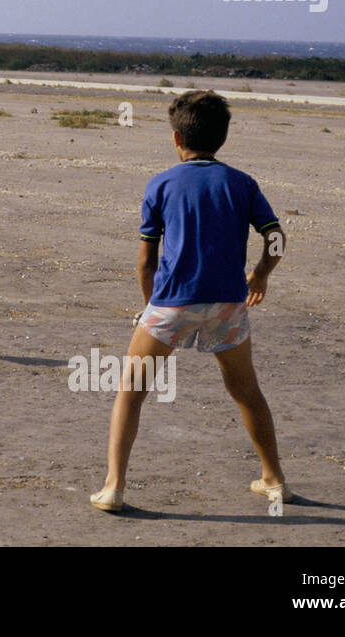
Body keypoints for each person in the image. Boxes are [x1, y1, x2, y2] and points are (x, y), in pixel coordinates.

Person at [91, 90, 288, 512]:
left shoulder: (161, 183)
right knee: (245, 390)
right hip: (228, 304)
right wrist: (261, 276)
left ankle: (113, 487)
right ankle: (274, 479)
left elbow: (146, 258)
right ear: (223, 138)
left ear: (177, 138)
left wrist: (150, 306)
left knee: (131, 391)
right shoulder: (242, 183)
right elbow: (275, 236)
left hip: (172, 303)